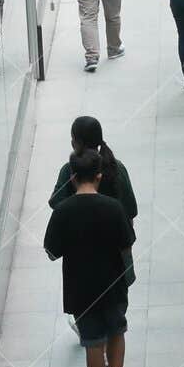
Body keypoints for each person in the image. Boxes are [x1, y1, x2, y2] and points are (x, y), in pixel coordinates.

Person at [43, 149, 135, 367]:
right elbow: (127, 243)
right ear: (98, 176)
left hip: (81, 288)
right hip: (113, 283)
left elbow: (51, 251)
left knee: (93, 343)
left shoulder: (63, 211)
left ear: (72, 178)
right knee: (117, 331)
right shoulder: (112, 207)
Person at [48, 116, 138, 335]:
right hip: (116, 255)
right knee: (117, 313)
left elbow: (55, 203)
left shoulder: (69, 171)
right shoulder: (117, 168)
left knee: (90, 326)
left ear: (75, 143)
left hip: (81, 261)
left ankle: (93, 341)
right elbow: (131, 210)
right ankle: (112, 346)